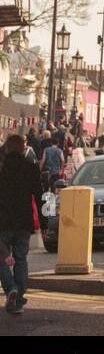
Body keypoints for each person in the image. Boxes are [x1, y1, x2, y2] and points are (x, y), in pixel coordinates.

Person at [0, 132, 41, 314]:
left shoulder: (1, 168)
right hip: (24, 221)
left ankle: (11, 288)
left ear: (7, 147)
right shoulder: (30, 167)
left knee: (1, 258)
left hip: (3, 221)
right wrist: (45, 222)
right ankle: (19, 299)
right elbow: (39, 196)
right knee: (21, 259)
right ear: (23, 148)